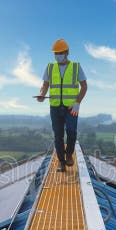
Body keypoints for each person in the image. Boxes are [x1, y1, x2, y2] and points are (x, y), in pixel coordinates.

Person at [36, 39, 87, 171]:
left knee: (71, 133)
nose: (57, 55)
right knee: (58, 135)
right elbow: (45, 84)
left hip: (71, 107)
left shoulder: (76, 67)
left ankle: (69, 155)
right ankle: (61, 161)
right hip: (55, 107)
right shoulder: (50, 67)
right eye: (56, 53)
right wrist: (42, 94)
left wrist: (77, 103)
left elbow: (84, 86)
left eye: (60, 53)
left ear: (67, 52)